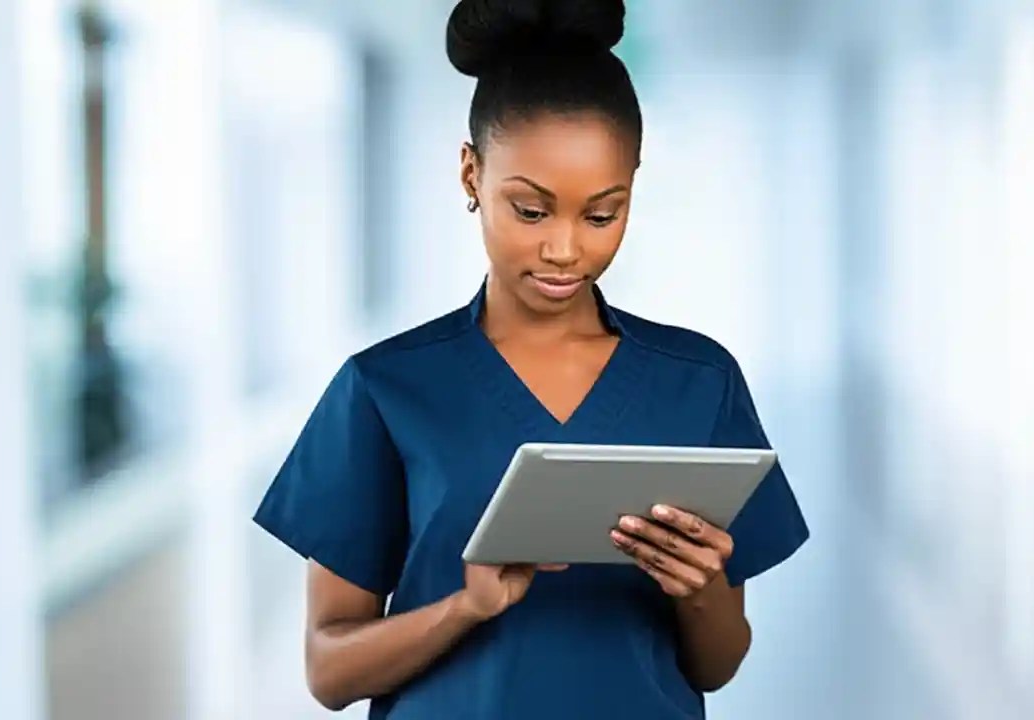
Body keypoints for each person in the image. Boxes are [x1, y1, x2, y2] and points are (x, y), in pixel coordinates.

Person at [252, 1, 809, 717]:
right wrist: (466, 607)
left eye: (602, 214)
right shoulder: (385, 388)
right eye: (531, 209)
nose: (566, 249)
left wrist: (701, 594)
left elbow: (718, 664)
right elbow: (329, 670)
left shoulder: (700, 382)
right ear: (470, 176)